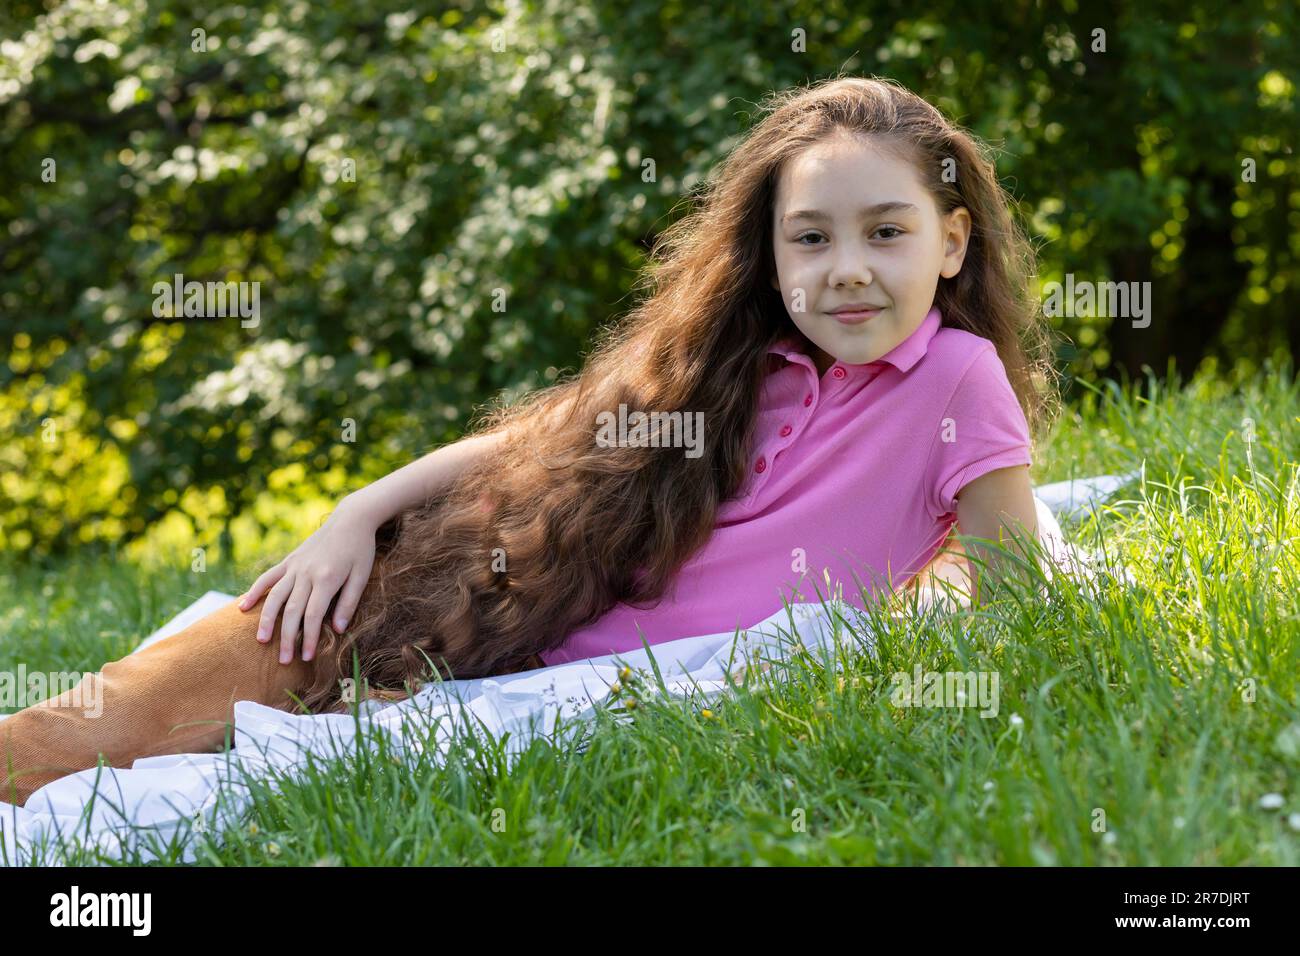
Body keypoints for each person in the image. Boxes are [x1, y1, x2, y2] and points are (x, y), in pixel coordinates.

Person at [1, 74, 1059, 807]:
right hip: (458, 599)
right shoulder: (744, 362)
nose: (847, 270)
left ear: (952, 239)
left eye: (887, 231)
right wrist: (356, 514)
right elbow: (530, 446)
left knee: (123, 750)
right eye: (811, 238)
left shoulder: (954, 379)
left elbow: (1019, 591)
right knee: (79, 735)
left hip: (514, 682)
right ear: (771, 255)